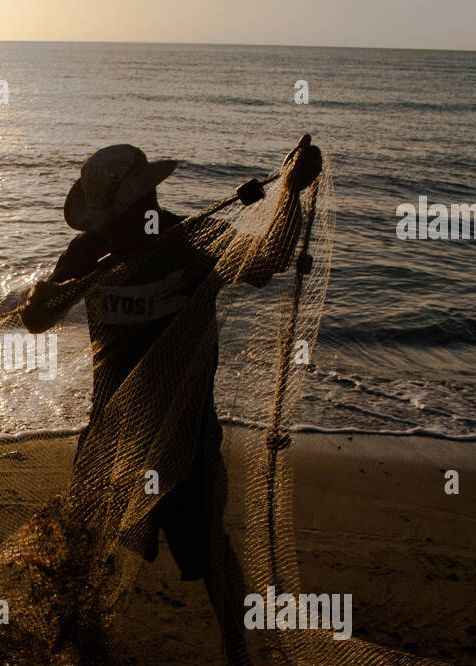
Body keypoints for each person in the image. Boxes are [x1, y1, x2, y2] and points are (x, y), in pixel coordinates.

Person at [19, 142, 317, 585]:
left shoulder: (195, 240)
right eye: (101, 220)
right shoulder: (87, 253)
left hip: (185, 441)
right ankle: (81, 646)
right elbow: (36, 320)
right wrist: (49, 287)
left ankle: (239, 656)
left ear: (146, 202)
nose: (107, 229)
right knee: (82, 553)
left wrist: (290, 191)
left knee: (210, 557)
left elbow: (267, 261)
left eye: (113, 217)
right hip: (108, 439)